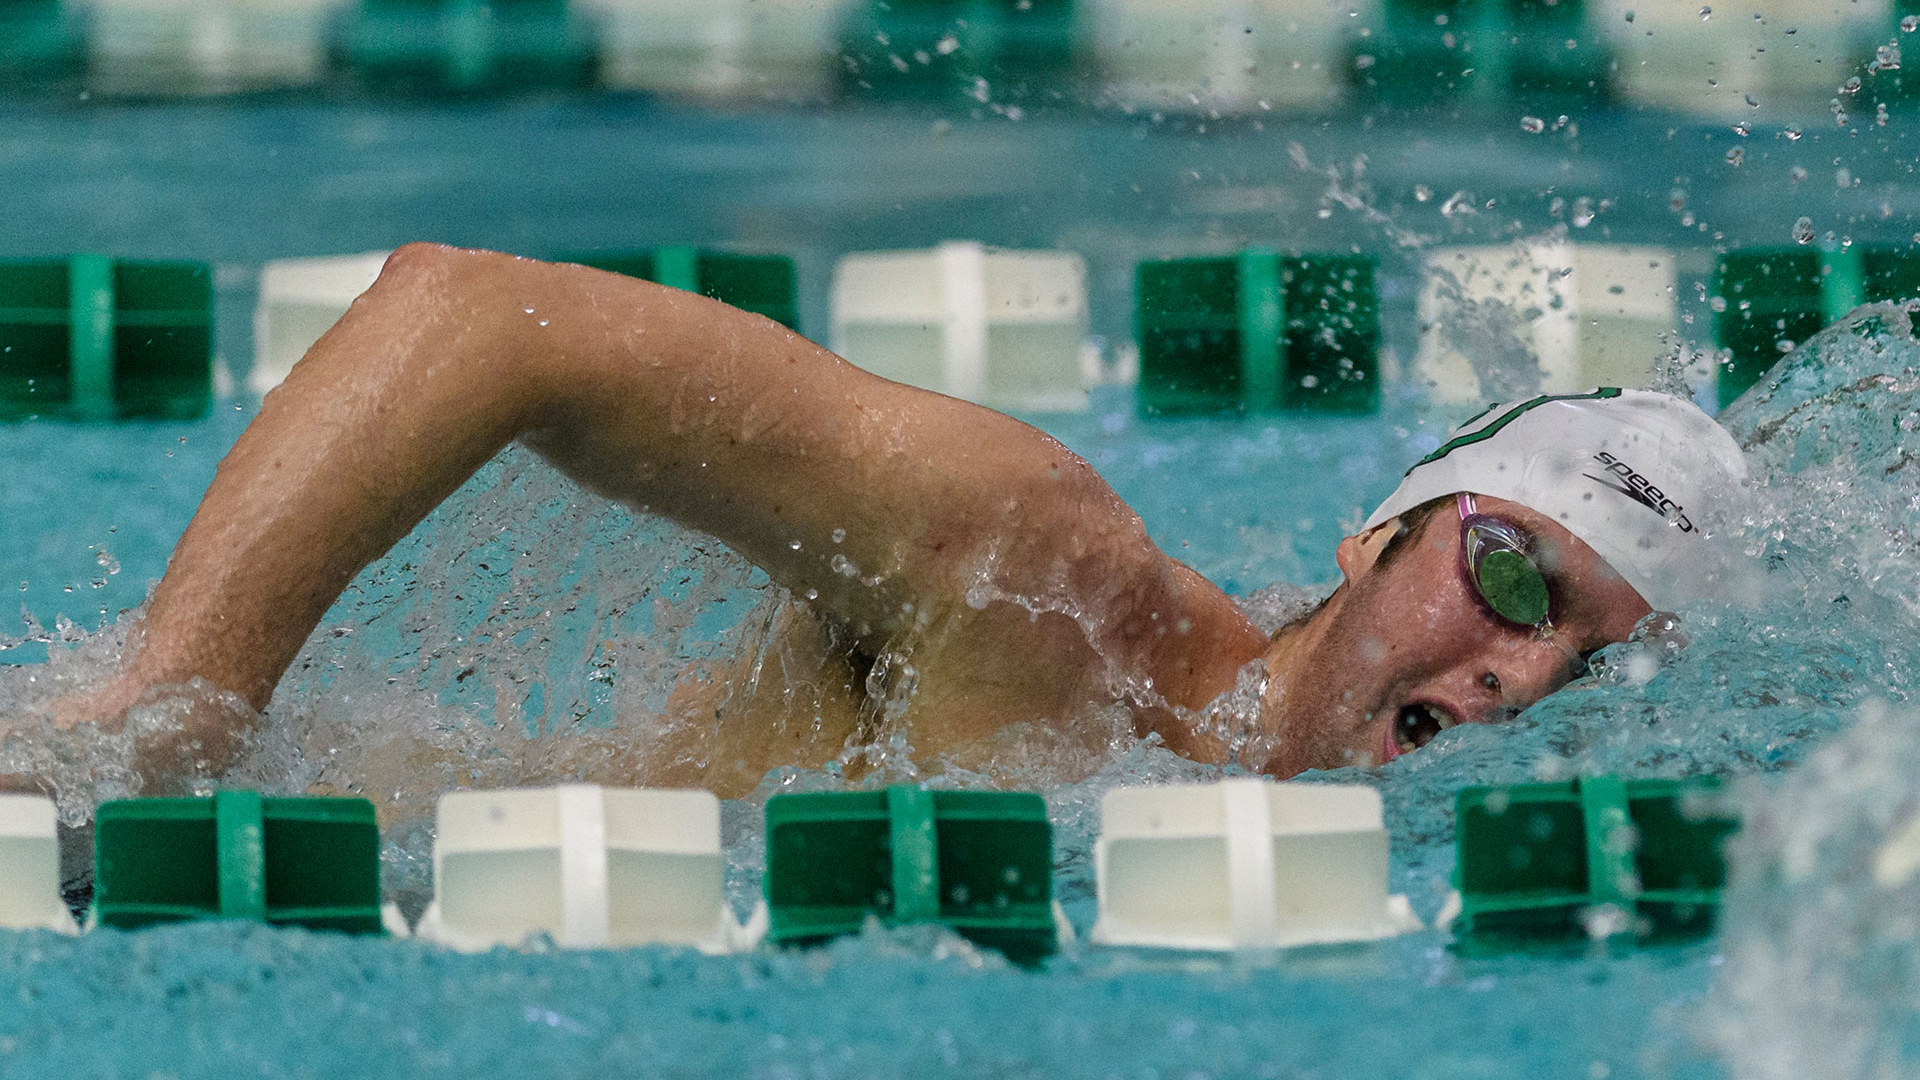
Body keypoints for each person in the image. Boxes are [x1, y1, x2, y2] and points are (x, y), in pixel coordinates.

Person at [33, 244, 1750, 799]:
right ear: (1373, 537)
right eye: (1513, 575)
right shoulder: (1047, 587)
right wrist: (174, 703)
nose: (1520, 676)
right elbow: (474, 312)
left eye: (1588, 660)